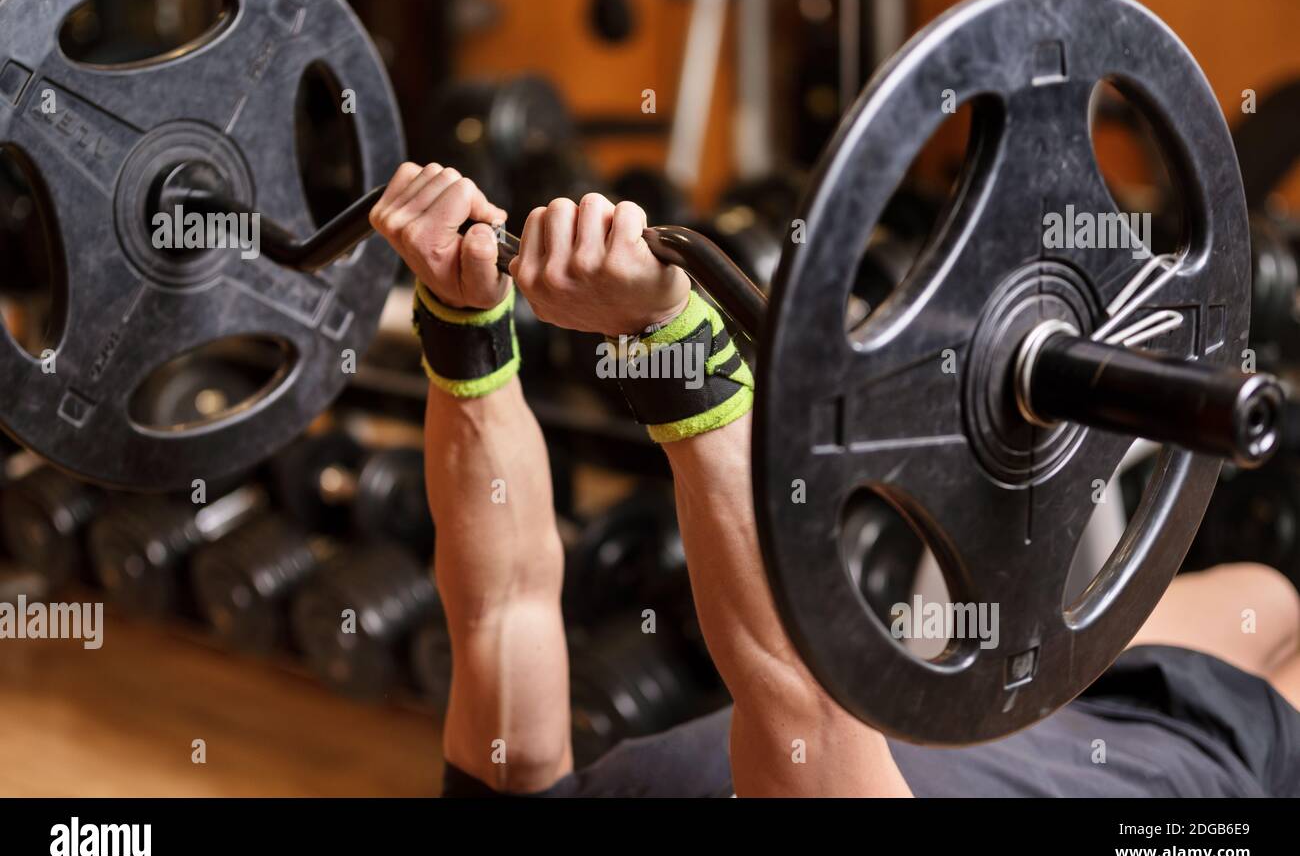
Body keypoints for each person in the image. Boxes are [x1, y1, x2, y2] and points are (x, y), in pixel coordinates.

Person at [370, 162, 1300, 797]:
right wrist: (669, 349)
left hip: (993, 700)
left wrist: (464, 319)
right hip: (1185, 765)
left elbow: (503, 603)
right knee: (1274, 614)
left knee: (1266, 592)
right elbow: (801, 714)